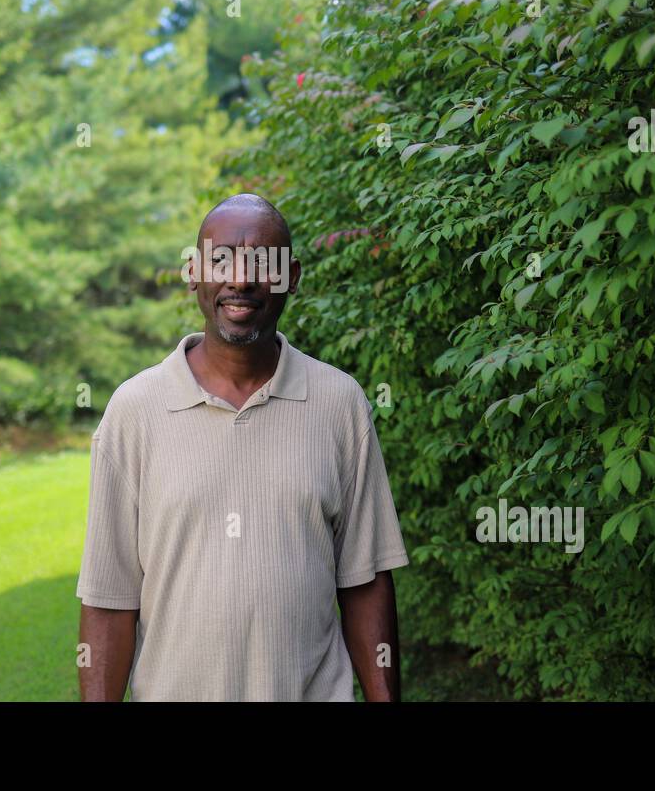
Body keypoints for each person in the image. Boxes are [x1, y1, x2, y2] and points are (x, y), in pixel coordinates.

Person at [75, 193, 409, 701]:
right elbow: (108, 600)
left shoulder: (340, 404)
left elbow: (364, 583)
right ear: (194, 272)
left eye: (263, 262)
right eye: (222, 259)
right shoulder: (134, 410)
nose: (242, 278)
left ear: (291, 276)